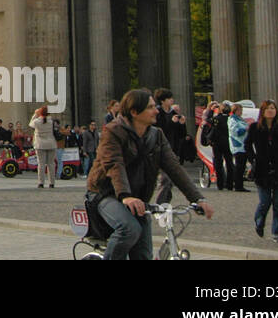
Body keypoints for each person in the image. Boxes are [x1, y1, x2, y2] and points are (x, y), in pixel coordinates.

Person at [86, 88, 214, 260]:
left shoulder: (156, 135)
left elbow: (174, 168)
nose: (156, 111)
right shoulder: (113, 131)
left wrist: (198, 199)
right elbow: (114, 164)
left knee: (144, 253)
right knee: (129, 229)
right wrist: (125, 196)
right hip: (106, 193)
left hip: (137, 199)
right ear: (134, 112)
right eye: (150, 107)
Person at [245, 100, 278, 243]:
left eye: (273, 108)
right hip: (262, 170)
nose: (271, 110)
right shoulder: (255, 127)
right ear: (263, 111)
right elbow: (247, 144)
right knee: (265, 201)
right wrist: (253, 159)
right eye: (268, 108)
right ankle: (259, 220)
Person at [152, 89, 182, 203]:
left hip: (172, 147)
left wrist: (181, 124)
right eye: (169, 98)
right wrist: (171, 122)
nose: (172, 100)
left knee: (170, 177)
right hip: (160, 148)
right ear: (163, 101)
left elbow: (180, 134)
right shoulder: (157, 113)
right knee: (165, 177)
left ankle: (165, 203)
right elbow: (159, 130)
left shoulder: (173, 113)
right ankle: (160, 203)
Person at [206, 102, 232, 192]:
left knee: (218, 163)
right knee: (229, 163)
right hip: (228, 143)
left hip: (217, 143)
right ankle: (230, 184)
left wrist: (211, 110)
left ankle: (220, 184)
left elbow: (209, 120)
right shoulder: (230, 119)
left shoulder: (217, 118)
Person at [29, 106, 58, 188]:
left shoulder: (37, 121)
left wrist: (35, 114)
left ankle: (41, 182)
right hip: (51, 143)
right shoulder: (51, 121)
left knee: (41, 164)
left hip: (40, 144)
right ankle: (52, 182)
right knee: (51, 164)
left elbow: (30, 124)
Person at [227, 104, 249, 192]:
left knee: (242, 166)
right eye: (240, 110)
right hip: (238, 145)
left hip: (243, 144)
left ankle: (240, 184)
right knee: (239, 166)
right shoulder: (232, 119)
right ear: (235, 110)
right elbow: (235, 132)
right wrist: (245, 129)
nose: (241, 112)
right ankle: (238, 185)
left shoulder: (240, 119)